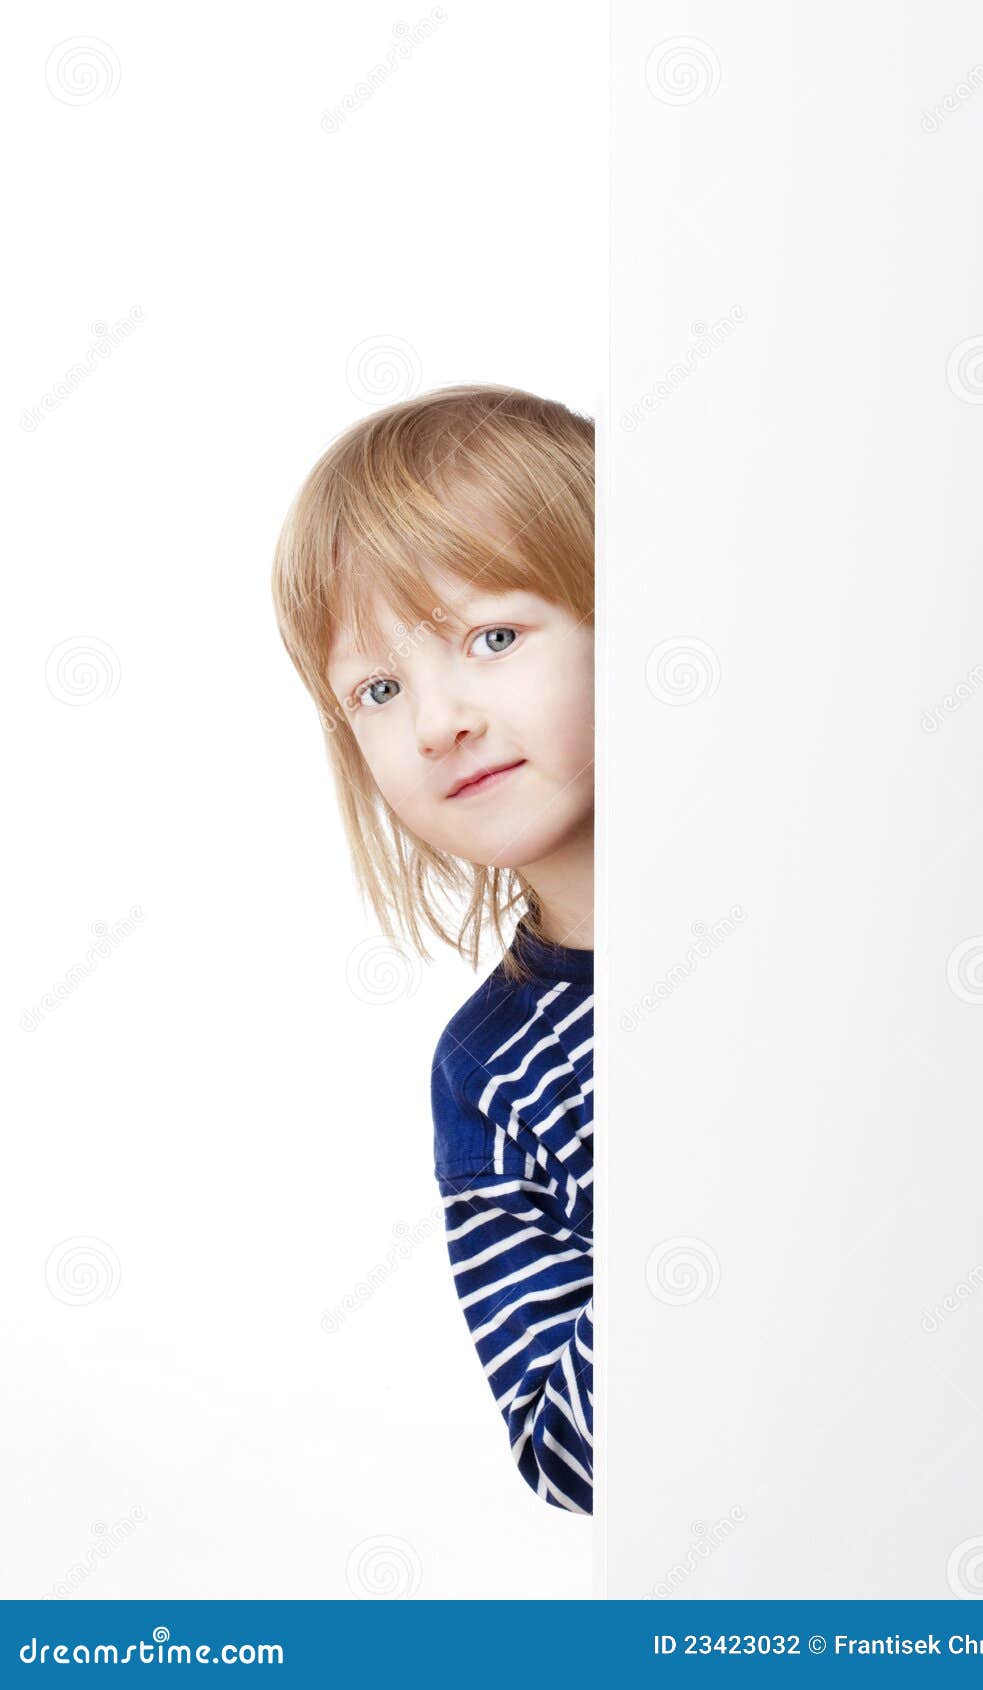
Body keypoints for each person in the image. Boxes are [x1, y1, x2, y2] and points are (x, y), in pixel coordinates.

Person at [270, 385, 595, 1513]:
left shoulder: (828, 901)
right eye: (377, 687)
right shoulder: (493, 1072)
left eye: (493, 637)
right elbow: (566, 1452)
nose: (435, 719)